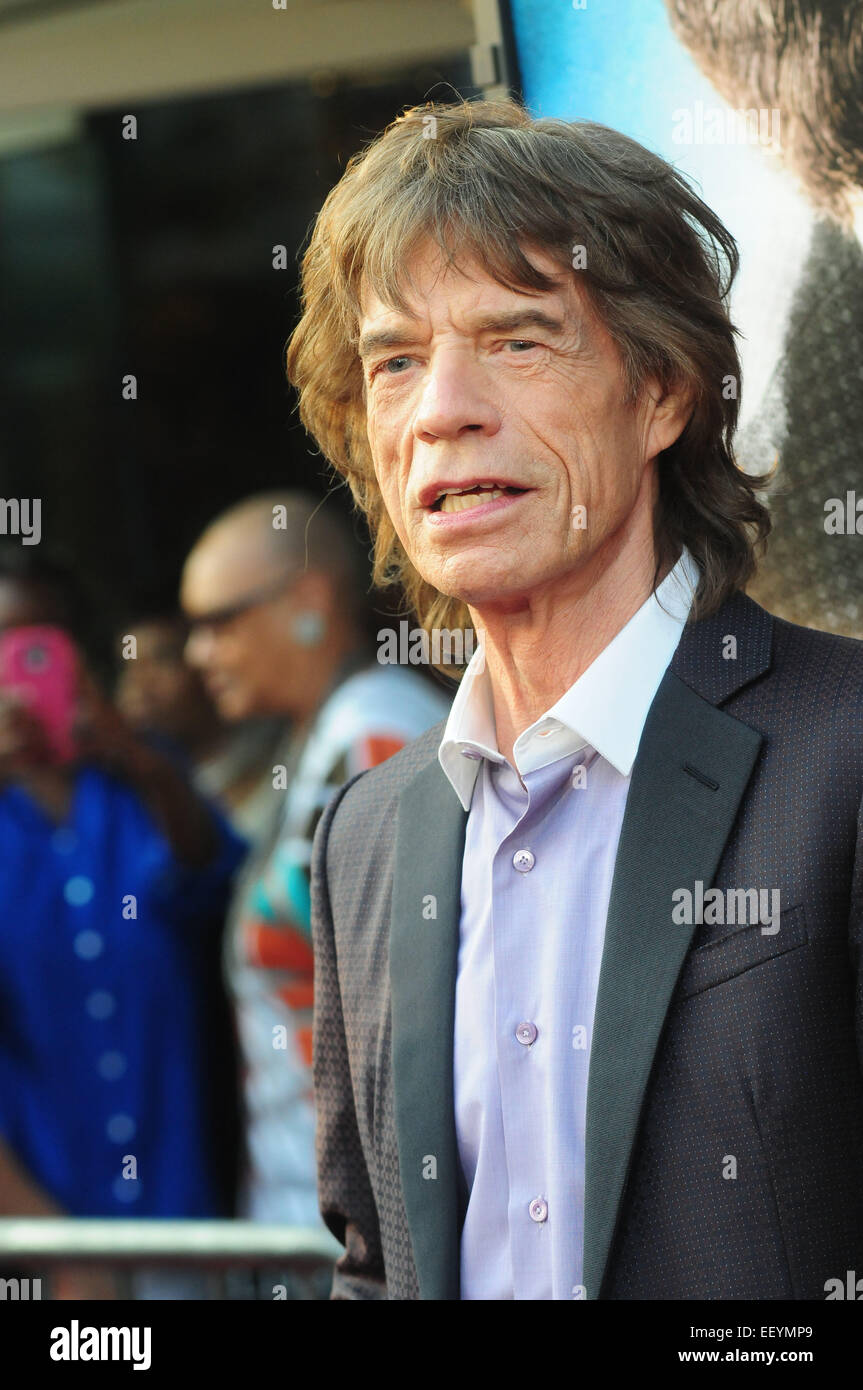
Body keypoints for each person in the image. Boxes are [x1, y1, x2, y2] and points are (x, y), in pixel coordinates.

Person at [286, 98, 863, 1300]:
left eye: (516, 340)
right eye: (396, 361)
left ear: (661, 393)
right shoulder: (365, 838)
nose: (442, 407)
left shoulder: (840, 752)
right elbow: (373, 1266)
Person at [181, 490, 450, 1232]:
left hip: (354, 1240)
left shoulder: (375, 734)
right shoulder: (321, 736)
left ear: (307, 598)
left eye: (219, 622)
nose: (198, 653)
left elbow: (420, 1023)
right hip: (313, 1226)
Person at [0, 547, 246, 1298]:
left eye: (39, 644)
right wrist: (58, 1249)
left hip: (186, 1229)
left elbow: (221, 889)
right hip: (42, 1248)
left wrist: (131, 752)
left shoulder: (142, 785)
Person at [114, 606, 285, 842]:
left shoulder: (280, 741)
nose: (142, 683)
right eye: (130, 667)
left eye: (162, 660)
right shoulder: (138, 797)